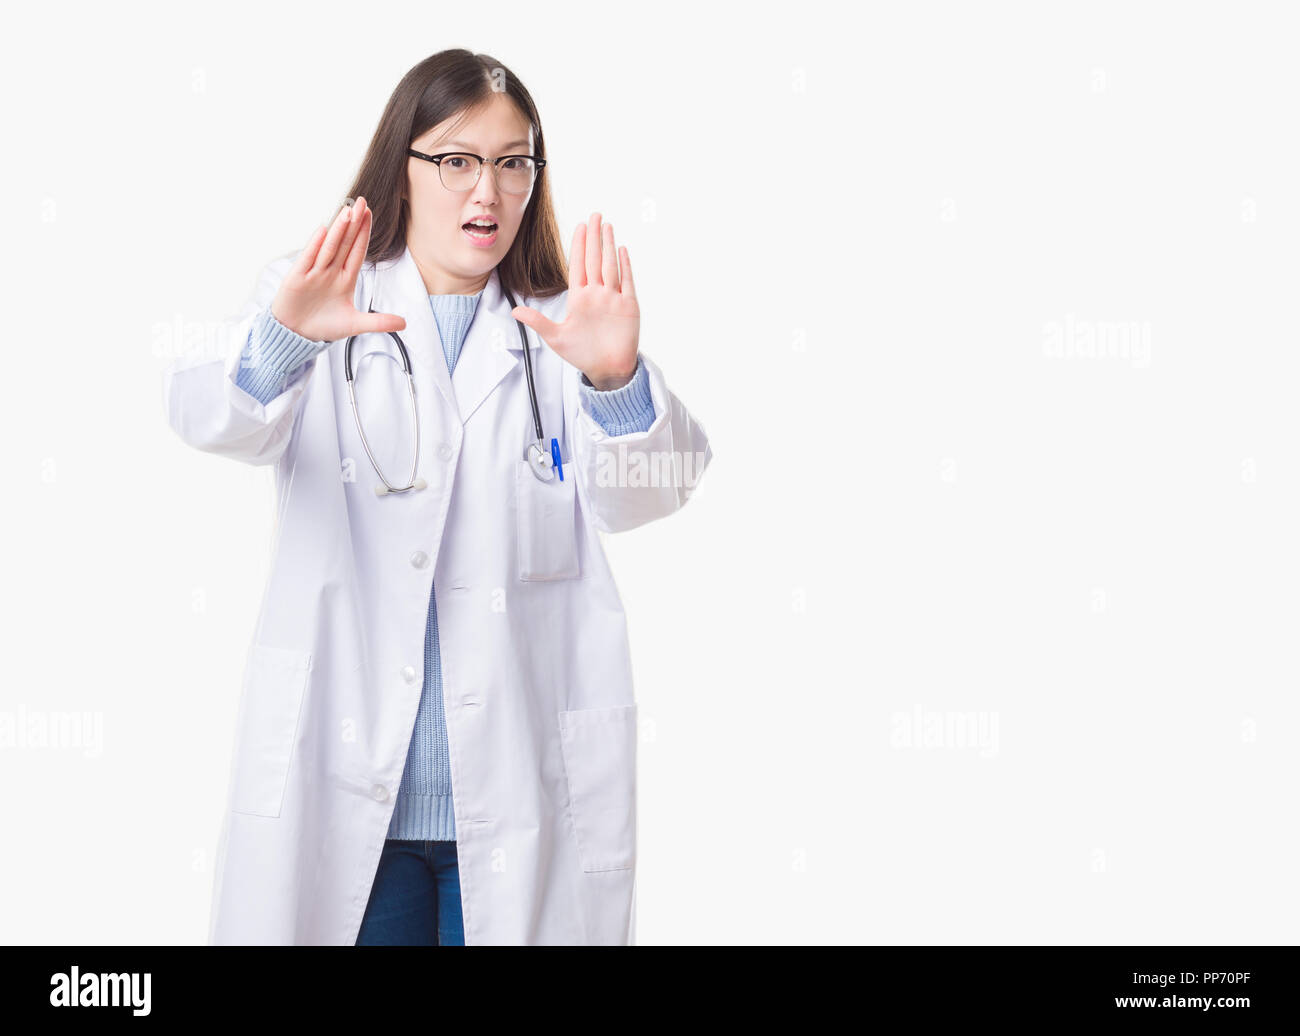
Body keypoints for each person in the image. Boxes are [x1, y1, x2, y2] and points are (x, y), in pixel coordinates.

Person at [164, 48, 712, 946]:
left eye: (511, 161)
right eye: (456, 160)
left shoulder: (565, 329)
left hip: (519, 801)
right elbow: (206, 417)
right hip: (350, 804)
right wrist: (281, 344)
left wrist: (616, 380)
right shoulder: (317, 299)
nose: (485, 191)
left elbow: (652, 492)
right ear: (403, 169)